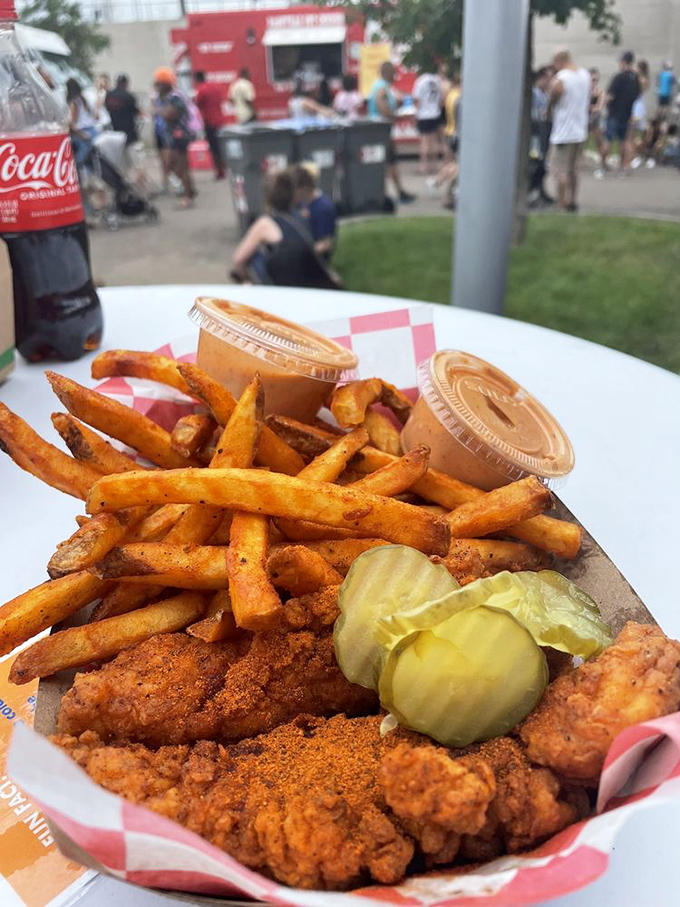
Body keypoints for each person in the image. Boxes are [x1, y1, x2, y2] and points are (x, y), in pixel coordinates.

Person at [230, 170, 338, 288]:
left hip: (277, 289)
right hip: (306, 284)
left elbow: (238, 260)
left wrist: (247, 279)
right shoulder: (303, 217)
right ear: (294, 195)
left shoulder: (264, 225)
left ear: (267, 197)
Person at [547, 49, 590, 212]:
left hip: (563, 132)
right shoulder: (584, 75)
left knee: (560, 170)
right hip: (580, 130)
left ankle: (561, 203)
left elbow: (556, 92)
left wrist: (550, 107)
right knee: (574, 170)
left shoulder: (562, 78)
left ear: (559, 61)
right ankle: (573, 201)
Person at [367, 61, 416, 204]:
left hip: (380, 130)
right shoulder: (382, 88)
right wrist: (400, 116)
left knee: (387, 162)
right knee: (389, 161)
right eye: (394, 73)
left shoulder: (381, 86)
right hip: (381, 130)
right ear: (389, 73)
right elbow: (383, 109)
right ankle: (395, 193)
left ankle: (394, 191)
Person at [153, 67, 196, 209]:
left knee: (180, 166)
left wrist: (157, 110)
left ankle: (187, 195)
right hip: (172, 137)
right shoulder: (167, 97)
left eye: (158, 83)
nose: (156, 87)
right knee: (172, 164)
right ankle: (189, 189)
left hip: (180, 136)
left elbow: (169, 114)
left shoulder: (175, 97)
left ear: (165, 84)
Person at [598, 51, 641, 176]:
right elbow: (637, 95)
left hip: (614, 113)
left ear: (624, 62)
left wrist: (603, 105)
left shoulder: (618, 77)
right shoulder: (635, 78)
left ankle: (602, 166)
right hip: (627, 114)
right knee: (625, 141)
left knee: (607, 140)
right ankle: (624, 167)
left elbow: (610, 95)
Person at [291, 163, 337, 259]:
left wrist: (296, 255)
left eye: (295, 189)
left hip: (315, 262)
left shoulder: (323, 207)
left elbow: (326, 244)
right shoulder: (301, 204)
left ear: (304, 187)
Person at [528, 67, 555, 207]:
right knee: (537, 163)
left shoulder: (543, 94)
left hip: (543, 132)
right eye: (549, 77)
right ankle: (533, 192)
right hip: (536, 133)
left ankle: (540, 191)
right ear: (542, 78)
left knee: (542, 163)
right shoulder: (534, 94)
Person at [194, 71, 225, 180]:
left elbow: (197, 104)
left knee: (214, 148)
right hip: (220, 121)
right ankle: (224, 168)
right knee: (221, 146)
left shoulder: (201, 90)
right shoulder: (215, 88)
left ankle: (220, 172)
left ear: (197, 79)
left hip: (210, 122)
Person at [412, 66, 442, 174]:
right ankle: (434, 166)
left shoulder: (420, 81)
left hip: (423, 115)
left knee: (424, 142)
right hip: (435, 113)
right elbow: (440, 99)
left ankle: (423, 166)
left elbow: (416, 100)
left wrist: (415, 113)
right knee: (433, 142)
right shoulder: (436, 81)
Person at [66, 78, 98, 170]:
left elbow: (72, 123)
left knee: (82, 154)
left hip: (82, 131)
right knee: (91, 156)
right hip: (92, 129)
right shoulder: (82, 99)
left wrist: (80, 133)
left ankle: (74, 171)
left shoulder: (73, 103)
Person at [105, 74, 140, 146]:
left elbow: (107, 108)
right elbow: (135, 112)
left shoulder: (109, 95)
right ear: (126, 83)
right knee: (129, 153)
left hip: (114, 129)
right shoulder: (128, 96)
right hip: (128, 131)